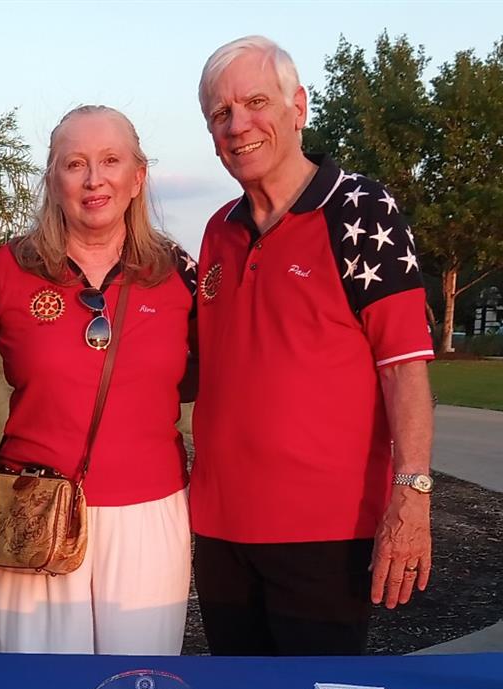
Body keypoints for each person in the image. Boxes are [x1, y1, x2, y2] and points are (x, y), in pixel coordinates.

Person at [189, 35, 436, 656]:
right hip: (220, 529)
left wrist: (412, 498)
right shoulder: (219, 231)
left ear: (297, 106)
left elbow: (404, 370)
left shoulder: (360, 210)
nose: (238, 125)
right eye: (220, 114)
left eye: (255, 102)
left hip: (323, 534)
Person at [0, 106, 197, 655]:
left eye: (110, 161)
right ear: (53, 180)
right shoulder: (11, 268)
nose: (94, 179)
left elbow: (218, 382)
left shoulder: (175, 272)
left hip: (148, 510)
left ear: (137, 177)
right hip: (35, 503)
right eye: (75, 164)